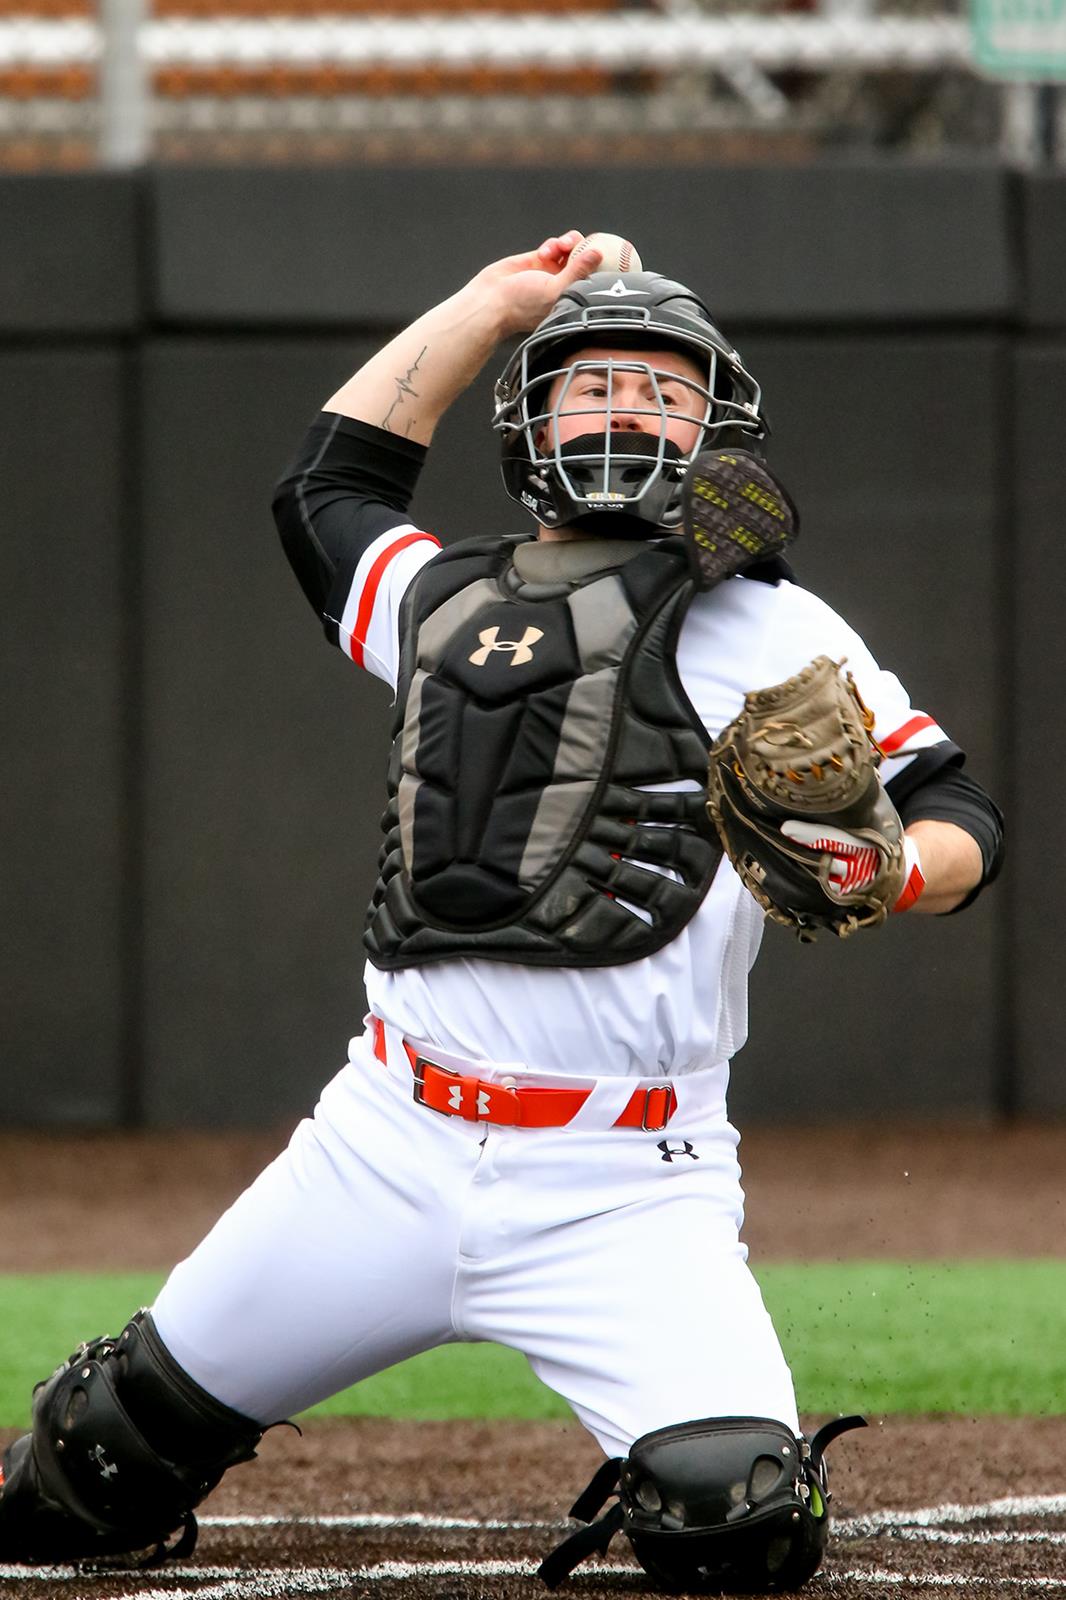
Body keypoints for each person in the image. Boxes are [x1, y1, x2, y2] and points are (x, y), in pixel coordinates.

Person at [0, 232, 1004, 1591]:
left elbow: (959, 814)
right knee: (87, 1472)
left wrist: (891, 870)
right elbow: (326, 486)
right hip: (382, 1147)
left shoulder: (771, 628)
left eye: (661, 390)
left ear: (721, 426)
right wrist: (492, 302)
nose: (624, 409)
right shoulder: (440, 598)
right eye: (588, 385)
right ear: (528, 417)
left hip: (626, 1185)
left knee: (736, 1521)